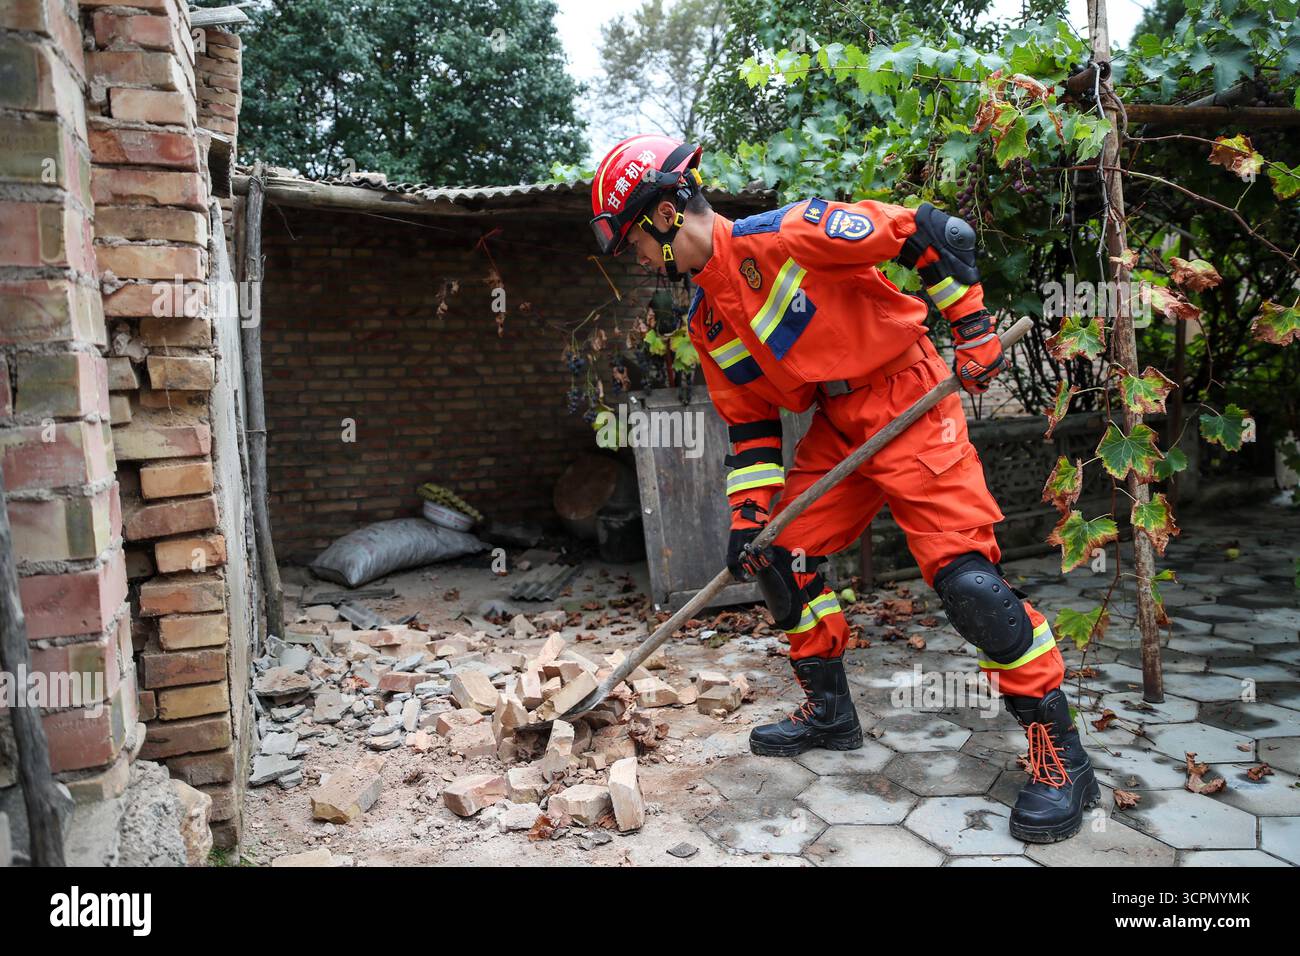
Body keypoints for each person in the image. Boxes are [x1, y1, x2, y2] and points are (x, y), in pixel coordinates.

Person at [588, 134, 1099, 843]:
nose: (636, 261)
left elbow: (932, 232)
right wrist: (748, 517)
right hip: (840, 424)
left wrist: (973, 324)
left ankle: (1062, 760)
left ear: (666, 216)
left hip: (909, 395)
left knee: (966, 585)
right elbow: (754, 428)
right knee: (778, 556)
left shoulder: (789, 234)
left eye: (634, 244)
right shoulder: (706, 318)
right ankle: (830, 714)